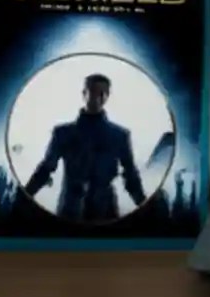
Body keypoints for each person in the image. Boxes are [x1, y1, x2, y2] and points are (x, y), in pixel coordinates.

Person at [24, 73, 146, 221]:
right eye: (93, 92)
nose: (97, 97)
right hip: (71, 209)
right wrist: (26, 194)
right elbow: (46, 168)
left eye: (102, 93)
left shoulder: (120, 135)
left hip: (104, 211)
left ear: (108, 96)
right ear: (84, 94)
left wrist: (143, 203)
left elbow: (130, 174)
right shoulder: (63, 133)